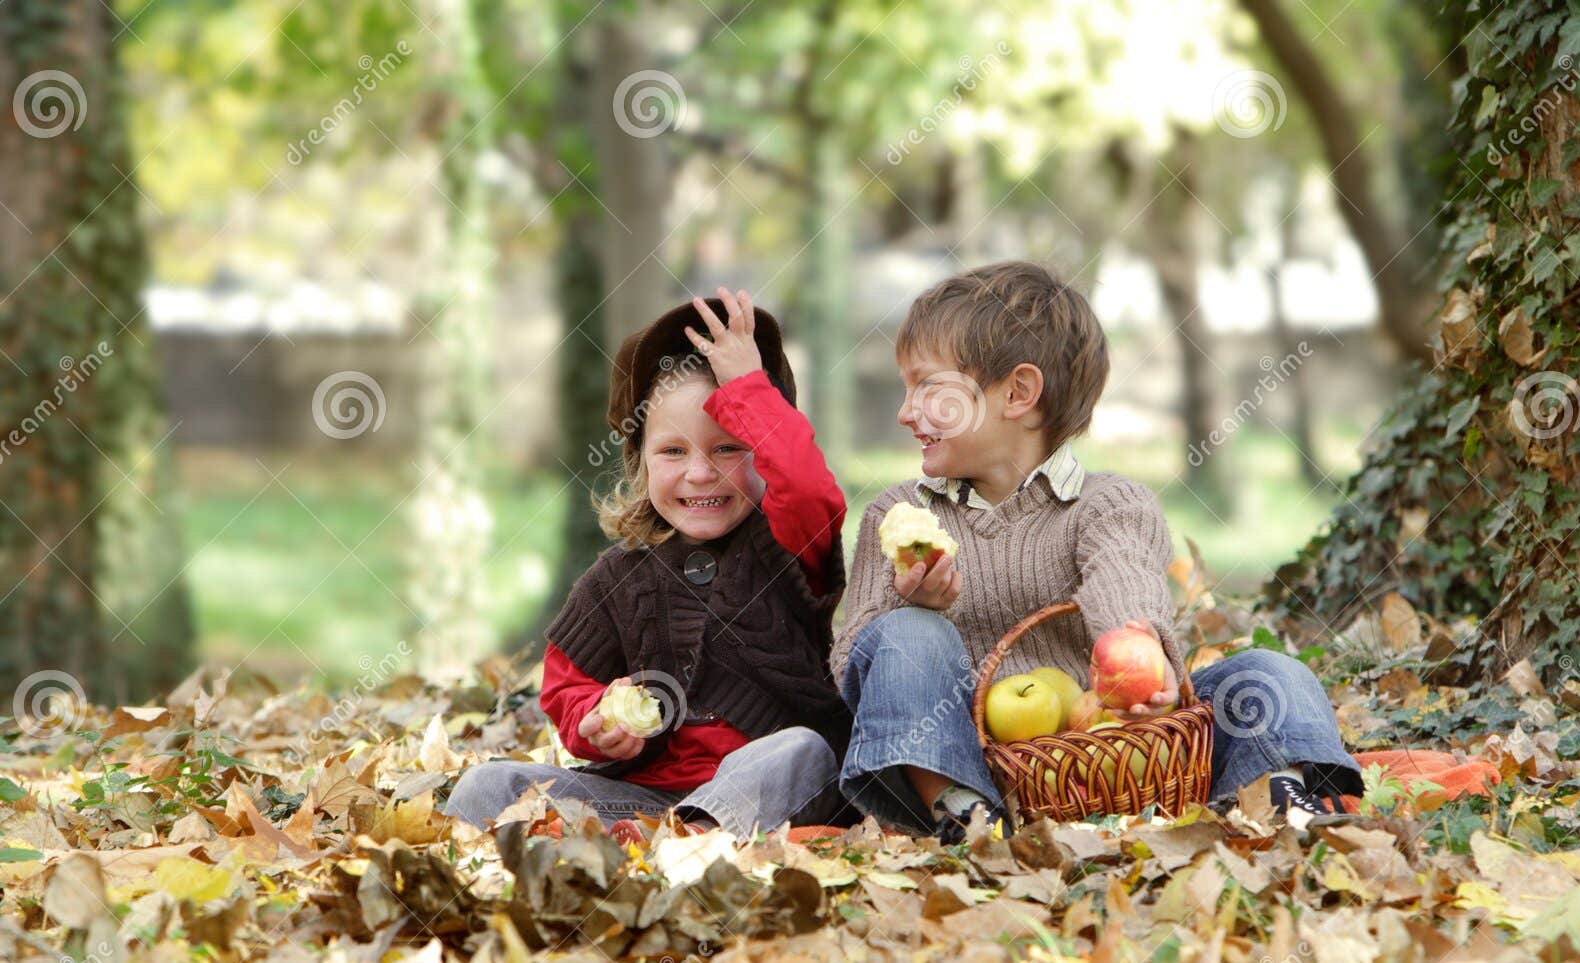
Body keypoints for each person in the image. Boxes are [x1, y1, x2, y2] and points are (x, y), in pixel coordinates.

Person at [830, 261, 1363, 843]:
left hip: (1111, 746)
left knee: (1264, 673)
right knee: (908, 637)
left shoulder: (1107, 502)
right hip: (967, 747)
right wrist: (917, 609)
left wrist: (1142, 662)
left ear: (1018, 393)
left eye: (928, 387)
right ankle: (962, 816)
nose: (906, 412)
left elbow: (1122, 576)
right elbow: (853, 665)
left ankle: (1280, 796)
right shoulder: (901, 514)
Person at [445, 289, 855, 842]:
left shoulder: (786, 543)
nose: (700, 473)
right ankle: (638, 846)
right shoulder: (617, 581)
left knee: (803, 750)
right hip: (641, 801)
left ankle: (691, 843)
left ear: (763, 450)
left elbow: (807, 486)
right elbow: (566, 687)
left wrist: (748, 390)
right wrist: (595, 723)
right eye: (673, 452)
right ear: (640, 462)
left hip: (767, 796)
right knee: (487, 787)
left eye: (729, 449)